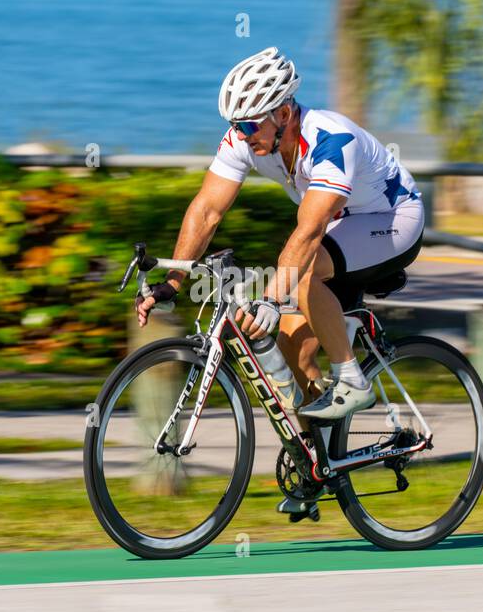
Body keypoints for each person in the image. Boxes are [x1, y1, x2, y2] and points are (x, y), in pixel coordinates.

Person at [135, 46, 424, 420]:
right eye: (234, 126)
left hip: (393, 220)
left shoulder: (331, 140)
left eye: (248, 125)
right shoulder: (247, 140)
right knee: (293, 351)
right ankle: (322, 466)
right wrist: (173, 282)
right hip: (344, 228)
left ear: (284, 114)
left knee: (303, 272)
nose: (240, 135)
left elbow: (309, 231)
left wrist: (269, 299)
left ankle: (353, 381)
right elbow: (207, 210)